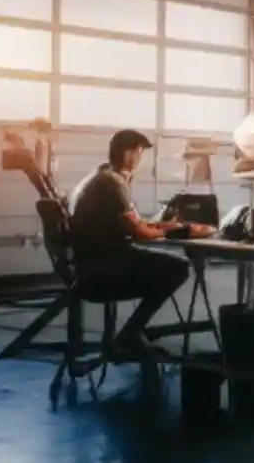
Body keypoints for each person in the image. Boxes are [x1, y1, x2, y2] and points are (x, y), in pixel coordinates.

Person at [69, 129, 214, 359]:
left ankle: (133, 333)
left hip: (91, 264)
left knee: (162, 263)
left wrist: (165, 226)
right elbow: (139, 232)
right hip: (104, 268)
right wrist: (182, 231)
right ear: (130, 154)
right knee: (177, 268)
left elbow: (133, 223)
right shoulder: (112, 184)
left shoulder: (99, 178)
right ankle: (130, 335)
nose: (140, 159)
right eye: (139, 153)